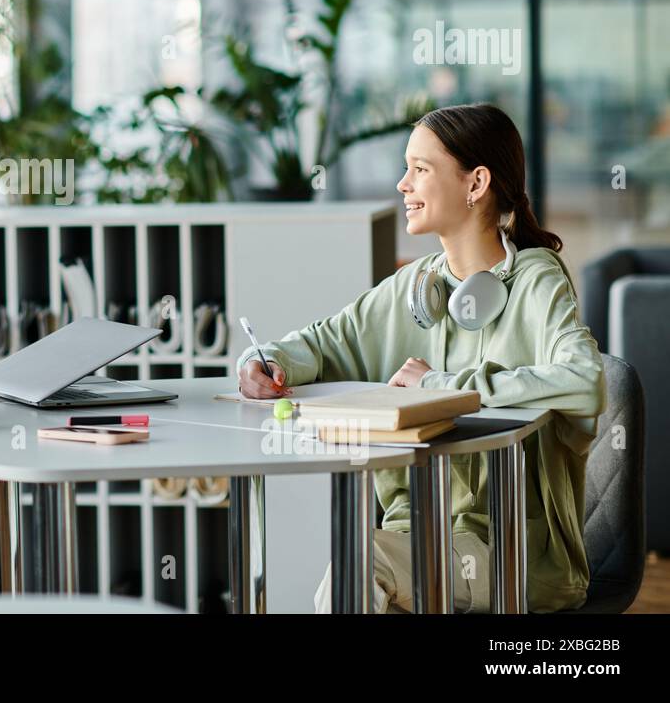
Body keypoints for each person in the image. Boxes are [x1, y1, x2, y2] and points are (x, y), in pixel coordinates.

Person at [236, 103, 605, 613]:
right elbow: (322, 343)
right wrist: (265, 360)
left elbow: (586, 379)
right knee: (365, 566)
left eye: (420, 169)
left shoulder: (537, 279)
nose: (401, 184)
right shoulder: (416, 285)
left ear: (476, 184)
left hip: (516, 553)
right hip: (420, 539)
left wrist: (444, 387)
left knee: (360, 565)